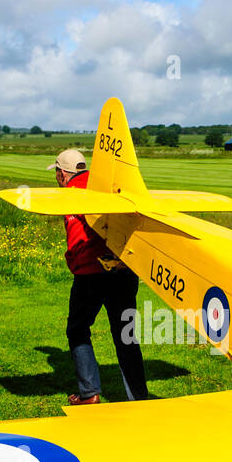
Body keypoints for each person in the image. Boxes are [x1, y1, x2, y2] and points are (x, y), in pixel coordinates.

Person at [52, 148, 149, 405]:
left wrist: (74, 263)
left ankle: (89, 393)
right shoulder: (104, 187)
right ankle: (138, 396)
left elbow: (78, 246)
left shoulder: (70, 196)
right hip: (123, 270)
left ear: (62, 174)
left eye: (57, 174)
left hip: (91, 274)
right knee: (125, 334)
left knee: (78, 329)